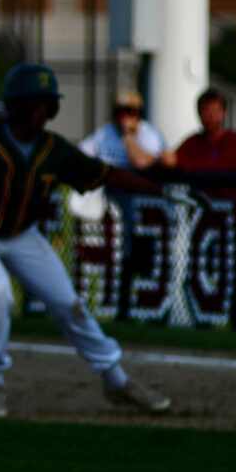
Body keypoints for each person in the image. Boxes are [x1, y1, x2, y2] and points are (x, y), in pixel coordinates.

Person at [0, 63, 177, 419]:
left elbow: (103, 173)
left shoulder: (52, 148)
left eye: (48, 102)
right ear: (17, 105)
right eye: (35, 102)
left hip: (21, 235)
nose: (43, 109)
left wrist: (160, 191)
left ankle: (116, 380)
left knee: (69, 303)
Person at [81, 89, 175, 320]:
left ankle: (147, 314)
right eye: (121, 112)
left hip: (145, 219)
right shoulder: (104, 134)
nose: (125, 117)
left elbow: (140, 163)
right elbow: (81, 155)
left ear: (139, 114)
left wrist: (129, 137)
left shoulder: (148, 135)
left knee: (143, 266)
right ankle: (107, 306)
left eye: (130, 112)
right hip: (111, 213)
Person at [173, 87, 236, 329]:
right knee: (199, 272)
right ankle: (203, 317)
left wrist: (186, 165)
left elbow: (224, 166)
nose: (210, 116)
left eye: (215, 111)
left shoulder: (234, 141)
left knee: (235, 272)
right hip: (205, 225)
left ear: (224, 113)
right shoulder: (193, 143)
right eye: (205, 111)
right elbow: (172, 162)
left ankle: (235, 319)